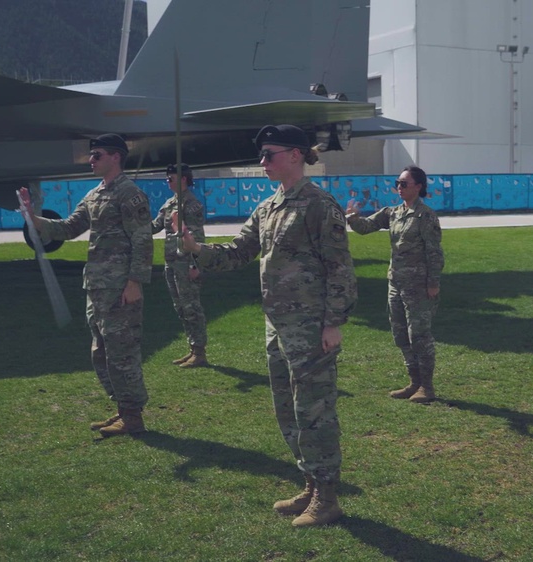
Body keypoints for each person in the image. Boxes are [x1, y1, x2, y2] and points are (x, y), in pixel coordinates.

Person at [174, 124, 357, 527]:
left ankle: (327, 499)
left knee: (315, 411)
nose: (262, 162)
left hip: (311, 328)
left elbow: (340, 269)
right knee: (288, 410)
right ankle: (310, 484)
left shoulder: (318, 205)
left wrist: (333, 323)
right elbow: (238, 252)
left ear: (294, 155)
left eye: (269, 154)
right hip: (278, 326)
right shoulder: (269, 206)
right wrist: (195, 249)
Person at [19, 133, 154, 437]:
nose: (91, 160)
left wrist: (134, 282)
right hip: (97, 287)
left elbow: (143, 241)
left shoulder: (129, 194)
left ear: (116, 157)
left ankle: (133, 415)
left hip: (120, 288)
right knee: (102, 352)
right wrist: (33, 218)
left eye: (97, 155)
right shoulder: (94, 195)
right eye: (91, 155)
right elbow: (68, 228)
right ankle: (122, 408)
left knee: (123, 352)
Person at [345, 166, 445, 403]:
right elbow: (365, 228)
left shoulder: (425, 216)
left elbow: (435, 253)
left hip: (419, 286)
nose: (398, 188)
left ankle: (427, 388)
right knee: (400, 334)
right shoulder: (393, 212)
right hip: (396, 283)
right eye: (397, 183)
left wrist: (433, 283)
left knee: (419, 335)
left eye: (403, 184)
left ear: (418, 187)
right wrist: (352, 217)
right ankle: (414, 383)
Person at [152, 163, 208, 368]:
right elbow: (154, 226)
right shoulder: (169, 204)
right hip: (171, 263)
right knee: (181, 308)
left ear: (183, 179)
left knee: (191, 306)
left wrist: (195, 265)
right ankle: (193, 348)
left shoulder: (191, 206)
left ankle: (200, 351)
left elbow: (197, 237)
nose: (167, 182)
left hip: (186, 264)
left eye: (171, 178)